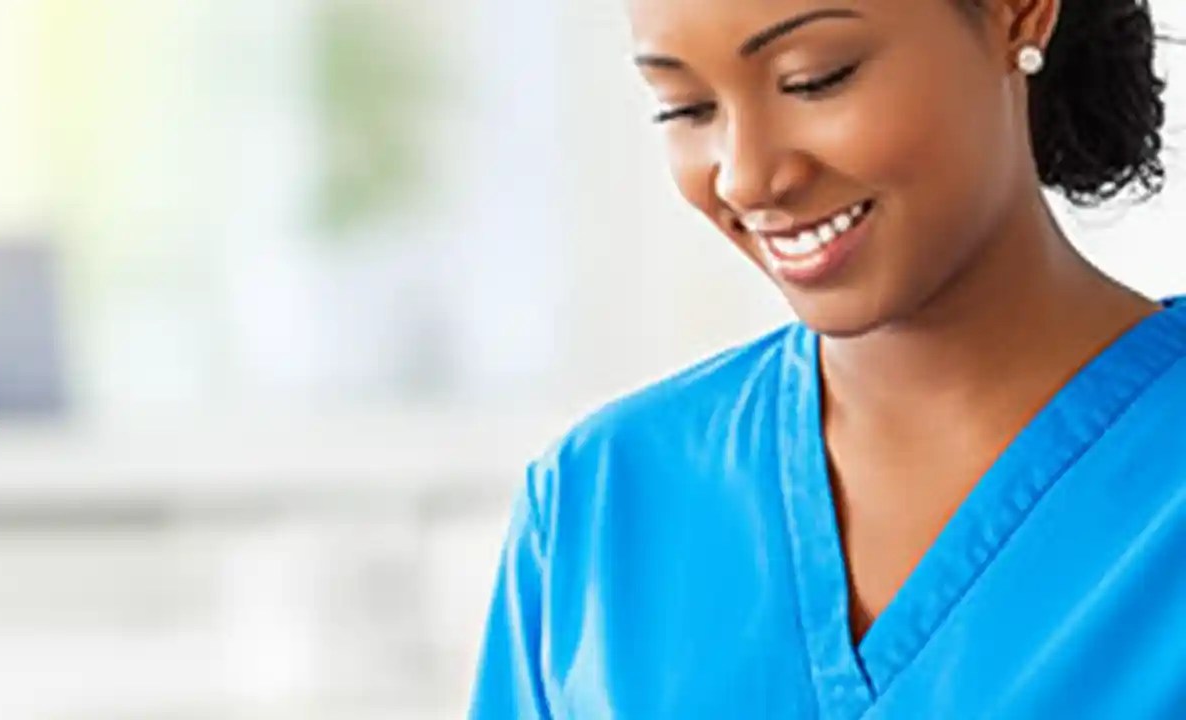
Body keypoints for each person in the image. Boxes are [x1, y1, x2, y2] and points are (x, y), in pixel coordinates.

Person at [470, 0, 1185, 717]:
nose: (746, 178)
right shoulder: (599, 503)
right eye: (686, 108)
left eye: (815, 79)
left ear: (1019, 13)